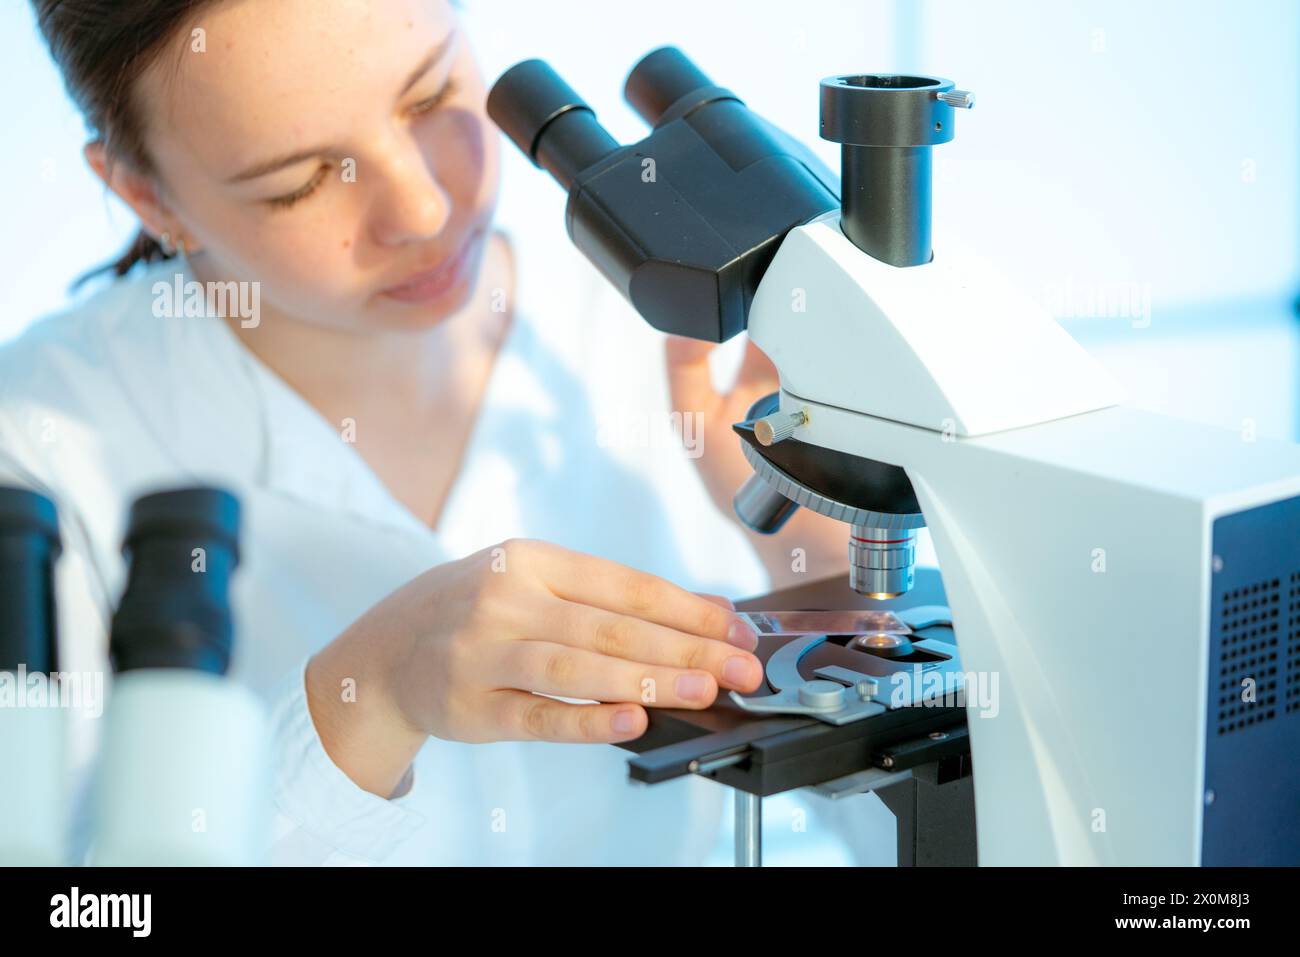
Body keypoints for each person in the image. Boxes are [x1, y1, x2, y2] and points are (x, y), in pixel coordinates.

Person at [3, 0, 879, 864]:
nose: (420, 210)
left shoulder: (676, 341)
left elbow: (905, 834)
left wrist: (823, 566)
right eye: (300, 181)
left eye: (427, 98)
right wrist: (363, 703)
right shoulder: (43, 445)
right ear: (145, 195)